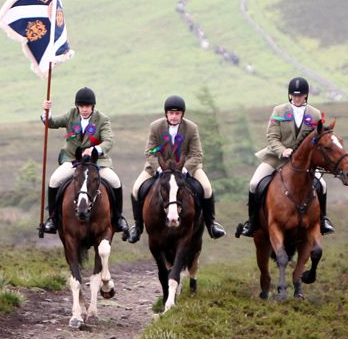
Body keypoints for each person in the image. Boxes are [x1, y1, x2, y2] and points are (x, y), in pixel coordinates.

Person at [236, 77, 333, 237]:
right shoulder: (279, 111)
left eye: (300, 95)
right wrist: (283, 150)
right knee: (254, 183)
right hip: (277, 158)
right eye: (294, 95)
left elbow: (319, 139)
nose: (296, 98)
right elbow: (272, 136)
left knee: (322, 185)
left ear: (306, 95)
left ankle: (322, 220)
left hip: (303, 163)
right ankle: (252, 223)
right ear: (290, 95)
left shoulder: (315, 114)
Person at [127, 95, 226, 243]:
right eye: (171, 113)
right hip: (159, 167)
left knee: (206, 188)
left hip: (188, 168)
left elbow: (197, 154)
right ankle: (138, 227)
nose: (174, 116)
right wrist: (159, 168)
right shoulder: (155, 127)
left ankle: (211, 224)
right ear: (166, 113)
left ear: (182, 114)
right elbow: (150, 152)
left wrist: (185, 168)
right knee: (136, 189)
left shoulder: (191, 128)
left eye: (177, 113)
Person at [40, 87, 128, 236]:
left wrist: (95, 149)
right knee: (54, 180)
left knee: (115, 181)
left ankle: (119, 218)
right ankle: (53, 218)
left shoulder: (102, 119)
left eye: (87, 106)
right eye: (81, 106)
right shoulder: (71, 114)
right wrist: (46, 112)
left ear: (93, 106)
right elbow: (52, 123)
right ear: (77, 106)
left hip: (96, 161)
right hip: (73, 160)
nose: (84, 109)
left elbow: (109, 140)